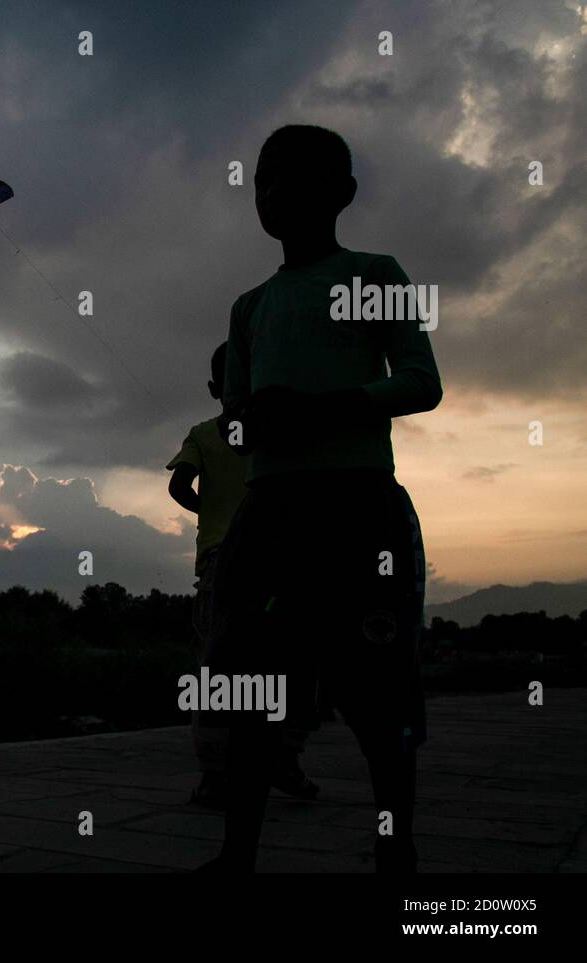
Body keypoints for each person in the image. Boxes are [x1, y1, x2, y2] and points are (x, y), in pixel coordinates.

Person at [201, 124, 441, 873]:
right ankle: (237, 853)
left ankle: (394, 849)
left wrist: (322, 406)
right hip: (269, 514)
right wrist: (255, 420)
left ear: (341, 192)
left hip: (356, 505)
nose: (275, 194)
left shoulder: (373, 273)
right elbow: (235, 421)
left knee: (379, 696)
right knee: (250, 691)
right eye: (263, 182)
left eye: (296, 179)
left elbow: (421, 381)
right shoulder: (249, 306)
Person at [167, 343, 318, 810]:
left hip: (222, 561)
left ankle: (216, 774)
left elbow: (178, 486)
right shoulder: (283, 433)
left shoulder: (202, 434)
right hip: (279, 559)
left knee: (218, 667)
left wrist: (211, 512)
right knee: (293, 662)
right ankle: (284, 758)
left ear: (215, 389)